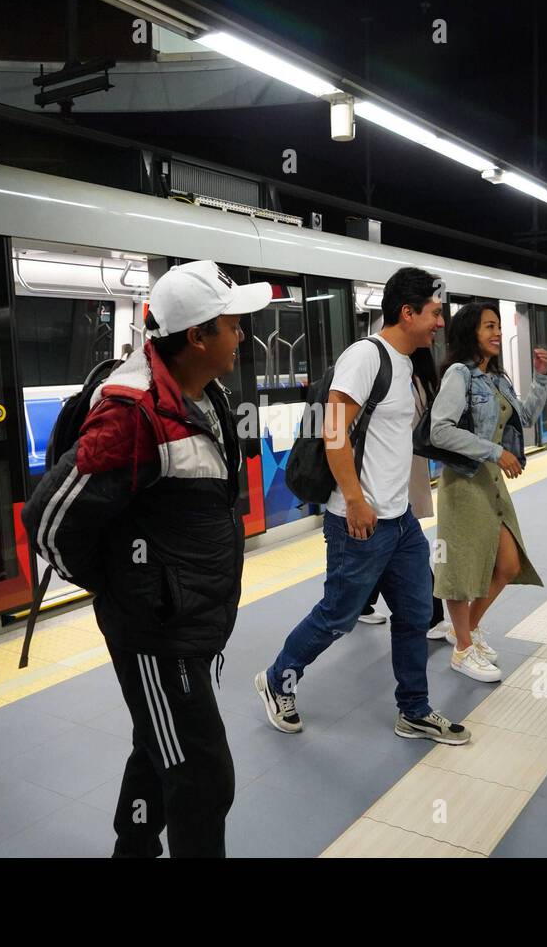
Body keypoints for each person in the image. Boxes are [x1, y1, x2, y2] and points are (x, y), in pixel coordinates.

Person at [25, 260, 268, 857]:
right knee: (205, 778)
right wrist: (125, 588)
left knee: (158, 743)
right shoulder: (133, 416)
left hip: (189, 617)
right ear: (197, 337)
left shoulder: (203, 395)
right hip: (158, 633)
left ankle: (132, 850)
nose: (244, 337)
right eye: (233, 326)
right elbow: (48, 519)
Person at [255, 267, 471, 745]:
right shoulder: (365, 357)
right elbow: (334, 431)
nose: (439, 323)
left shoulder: (409, 363)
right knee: (337, 615)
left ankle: (413, 710)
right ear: (407, 312)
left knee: (416, 615)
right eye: (434, 314)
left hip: (400, 523)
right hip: (360, 520)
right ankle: (277, 679)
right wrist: (354, 500)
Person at [429, 302, 547, 682]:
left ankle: (464, 630)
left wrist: (542, 378)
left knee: (508, 565)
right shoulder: (458, 375)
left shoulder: (496, 378)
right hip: (463, 484)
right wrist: (496, 452)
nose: (497, 333)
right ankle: (463, 649)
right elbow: (440, 430)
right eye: (489, 327)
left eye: (498, 327)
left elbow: (526, 418)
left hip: (491, 483)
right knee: (460, 569)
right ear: (471, 333)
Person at [356, 347, 451, 639]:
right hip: (393, 479)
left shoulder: (414, 376)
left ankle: (364, 602)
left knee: (391, 548)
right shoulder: (403, 375)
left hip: (403, 475)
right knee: (410, 547)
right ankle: (434, 616)